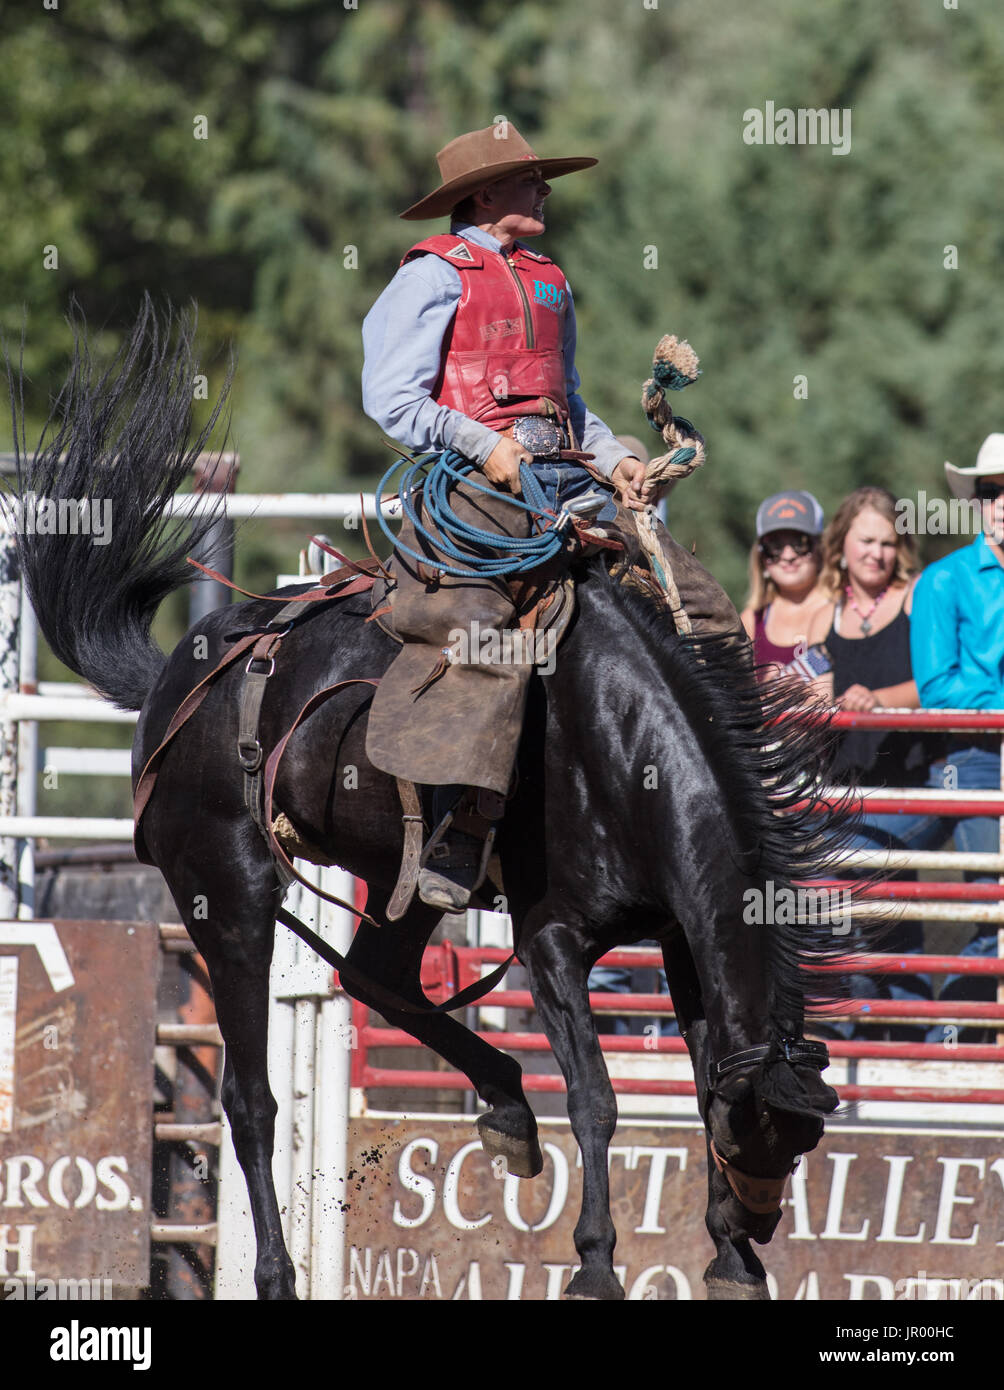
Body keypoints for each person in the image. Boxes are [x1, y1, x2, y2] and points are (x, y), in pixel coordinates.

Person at [360, 123, 745, 912]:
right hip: (473, 488)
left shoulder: (548, 279)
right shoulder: (431, 277)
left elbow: (569, 403)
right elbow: (391, 398)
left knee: (698, 606)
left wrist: (616, 461)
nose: (545, 188)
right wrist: (480, 443)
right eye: (529, 178)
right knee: (488, 625)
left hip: (565, 481)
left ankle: (729, 790)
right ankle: (466, 817)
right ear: (484, 194)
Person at [804, 487, 938, 1038]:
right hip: (838, 792)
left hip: (911, 790)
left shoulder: (916, 599)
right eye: (866, 540)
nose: (877, 553)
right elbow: (804, 691)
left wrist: (877, 698)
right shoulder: (822, 613)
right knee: (853, 913)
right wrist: (814, 696)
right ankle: (864, 1036)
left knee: (872, 897)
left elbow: (934, 687)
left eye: (888, 543)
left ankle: (915, 1040)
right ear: (842, 545)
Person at [910, 435, 1004, 1037]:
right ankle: (949, 1041)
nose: (1003, 503)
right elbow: (937, 691)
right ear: (979, 503)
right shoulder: (943, 581)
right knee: (996, 905)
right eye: (993, 492)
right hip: (973, 759)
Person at [739, 490, 829, 675]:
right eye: (775, 546)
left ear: (820, 548)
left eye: (800, 543)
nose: (788, 556)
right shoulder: (751, 621)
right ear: (761, 555)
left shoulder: (841, 610)